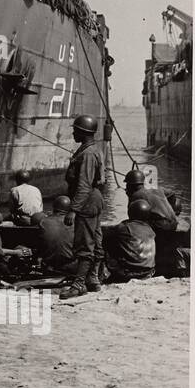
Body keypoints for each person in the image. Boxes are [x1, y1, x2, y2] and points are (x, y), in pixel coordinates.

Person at [61, 113, 106, 300]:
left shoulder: (87, 154)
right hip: (93, 199)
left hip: (87, 202)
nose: (73, 133)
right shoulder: (92, 149)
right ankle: (93, 280)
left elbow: (84, 185)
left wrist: (73, 209)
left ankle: (79, 284)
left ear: (83, 132)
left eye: (75, 130)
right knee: (96, 240)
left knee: (84, 243)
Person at [104, 199, 157, 282]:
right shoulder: (150, 229)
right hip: (149, 272)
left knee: (108, 243)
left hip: (130, 273)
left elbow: (106, 234)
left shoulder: (124, 228)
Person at [33, 195, 77, 274]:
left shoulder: (43, 222)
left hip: (49, 266)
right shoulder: (76, 223)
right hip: (71, 266)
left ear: (53, 207)